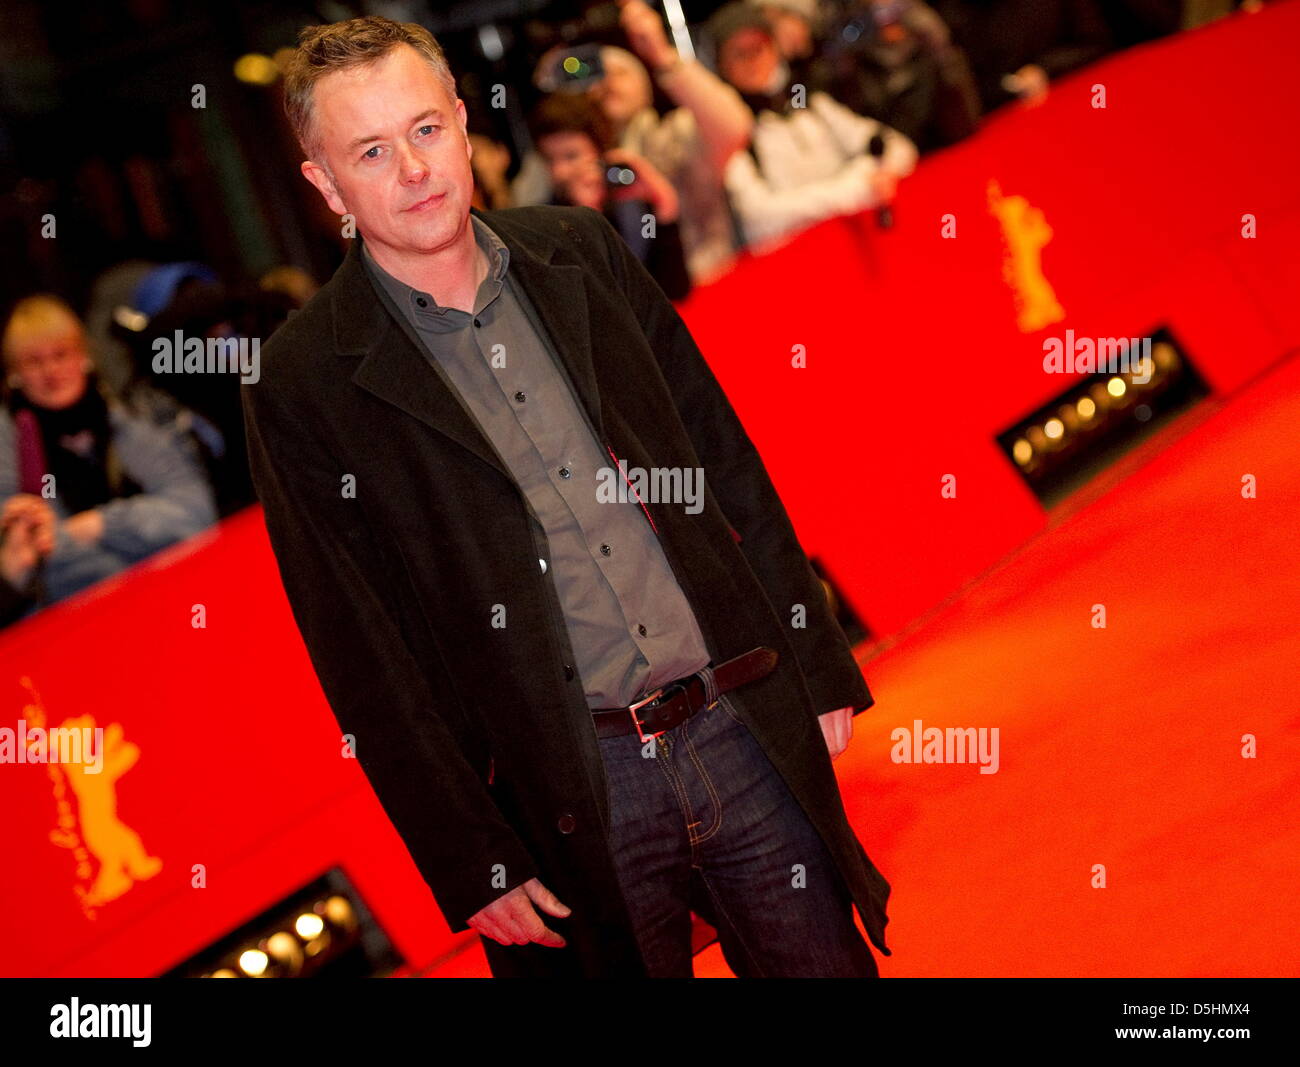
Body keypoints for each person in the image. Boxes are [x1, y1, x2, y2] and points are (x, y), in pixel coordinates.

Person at [246, 14, 892, 978]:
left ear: (465, 126)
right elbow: (361, 652)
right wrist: (471, 856)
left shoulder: (580, 252)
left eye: (426, 130)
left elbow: (723, 458)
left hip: (735, 722)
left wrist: (814, 657)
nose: (415, 169)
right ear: (325, 183)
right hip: (567, 798)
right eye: (372, 151)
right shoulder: (302, 380)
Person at [0, 295, 218, 619]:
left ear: (84, 356)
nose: (51, 371)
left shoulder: (126, 420)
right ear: (15, 372)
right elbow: (39, 565)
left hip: (171, 604)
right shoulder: (9, 446)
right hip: (68, 625)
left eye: (61, 354)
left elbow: (197, 513)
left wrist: (97, 525)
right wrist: (139, 576)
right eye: (34, 361)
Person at [513, 0, 755, 285]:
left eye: (621, 72)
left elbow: (735, 127)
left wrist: (663, 57)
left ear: (645, 83)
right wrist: (549, 95)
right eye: (597, 74)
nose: (607, 84)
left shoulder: (673, 133)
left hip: (708, 286)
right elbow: (523, 205)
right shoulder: (575, 157)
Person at [708, 2, 919, 251]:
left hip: (858, 247)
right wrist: (858, 187)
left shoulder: (813, 105)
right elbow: (759, 221)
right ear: (722, 66)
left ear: (775, 50)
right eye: (739, 54)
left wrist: (874, 176)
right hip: (796, 264)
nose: (753, 60)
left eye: (759, 48)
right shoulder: (731, 135)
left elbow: (897, 147)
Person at [530, 91, 692, 301]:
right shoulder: (546, 221)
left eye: (571, 156)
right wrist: (586, 217)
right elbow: (598, 303)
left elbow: (674, 290)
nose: (560, 171)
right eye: (549, 159)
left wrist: (664, 204)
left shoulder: (629, 199)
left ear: (600, 151)